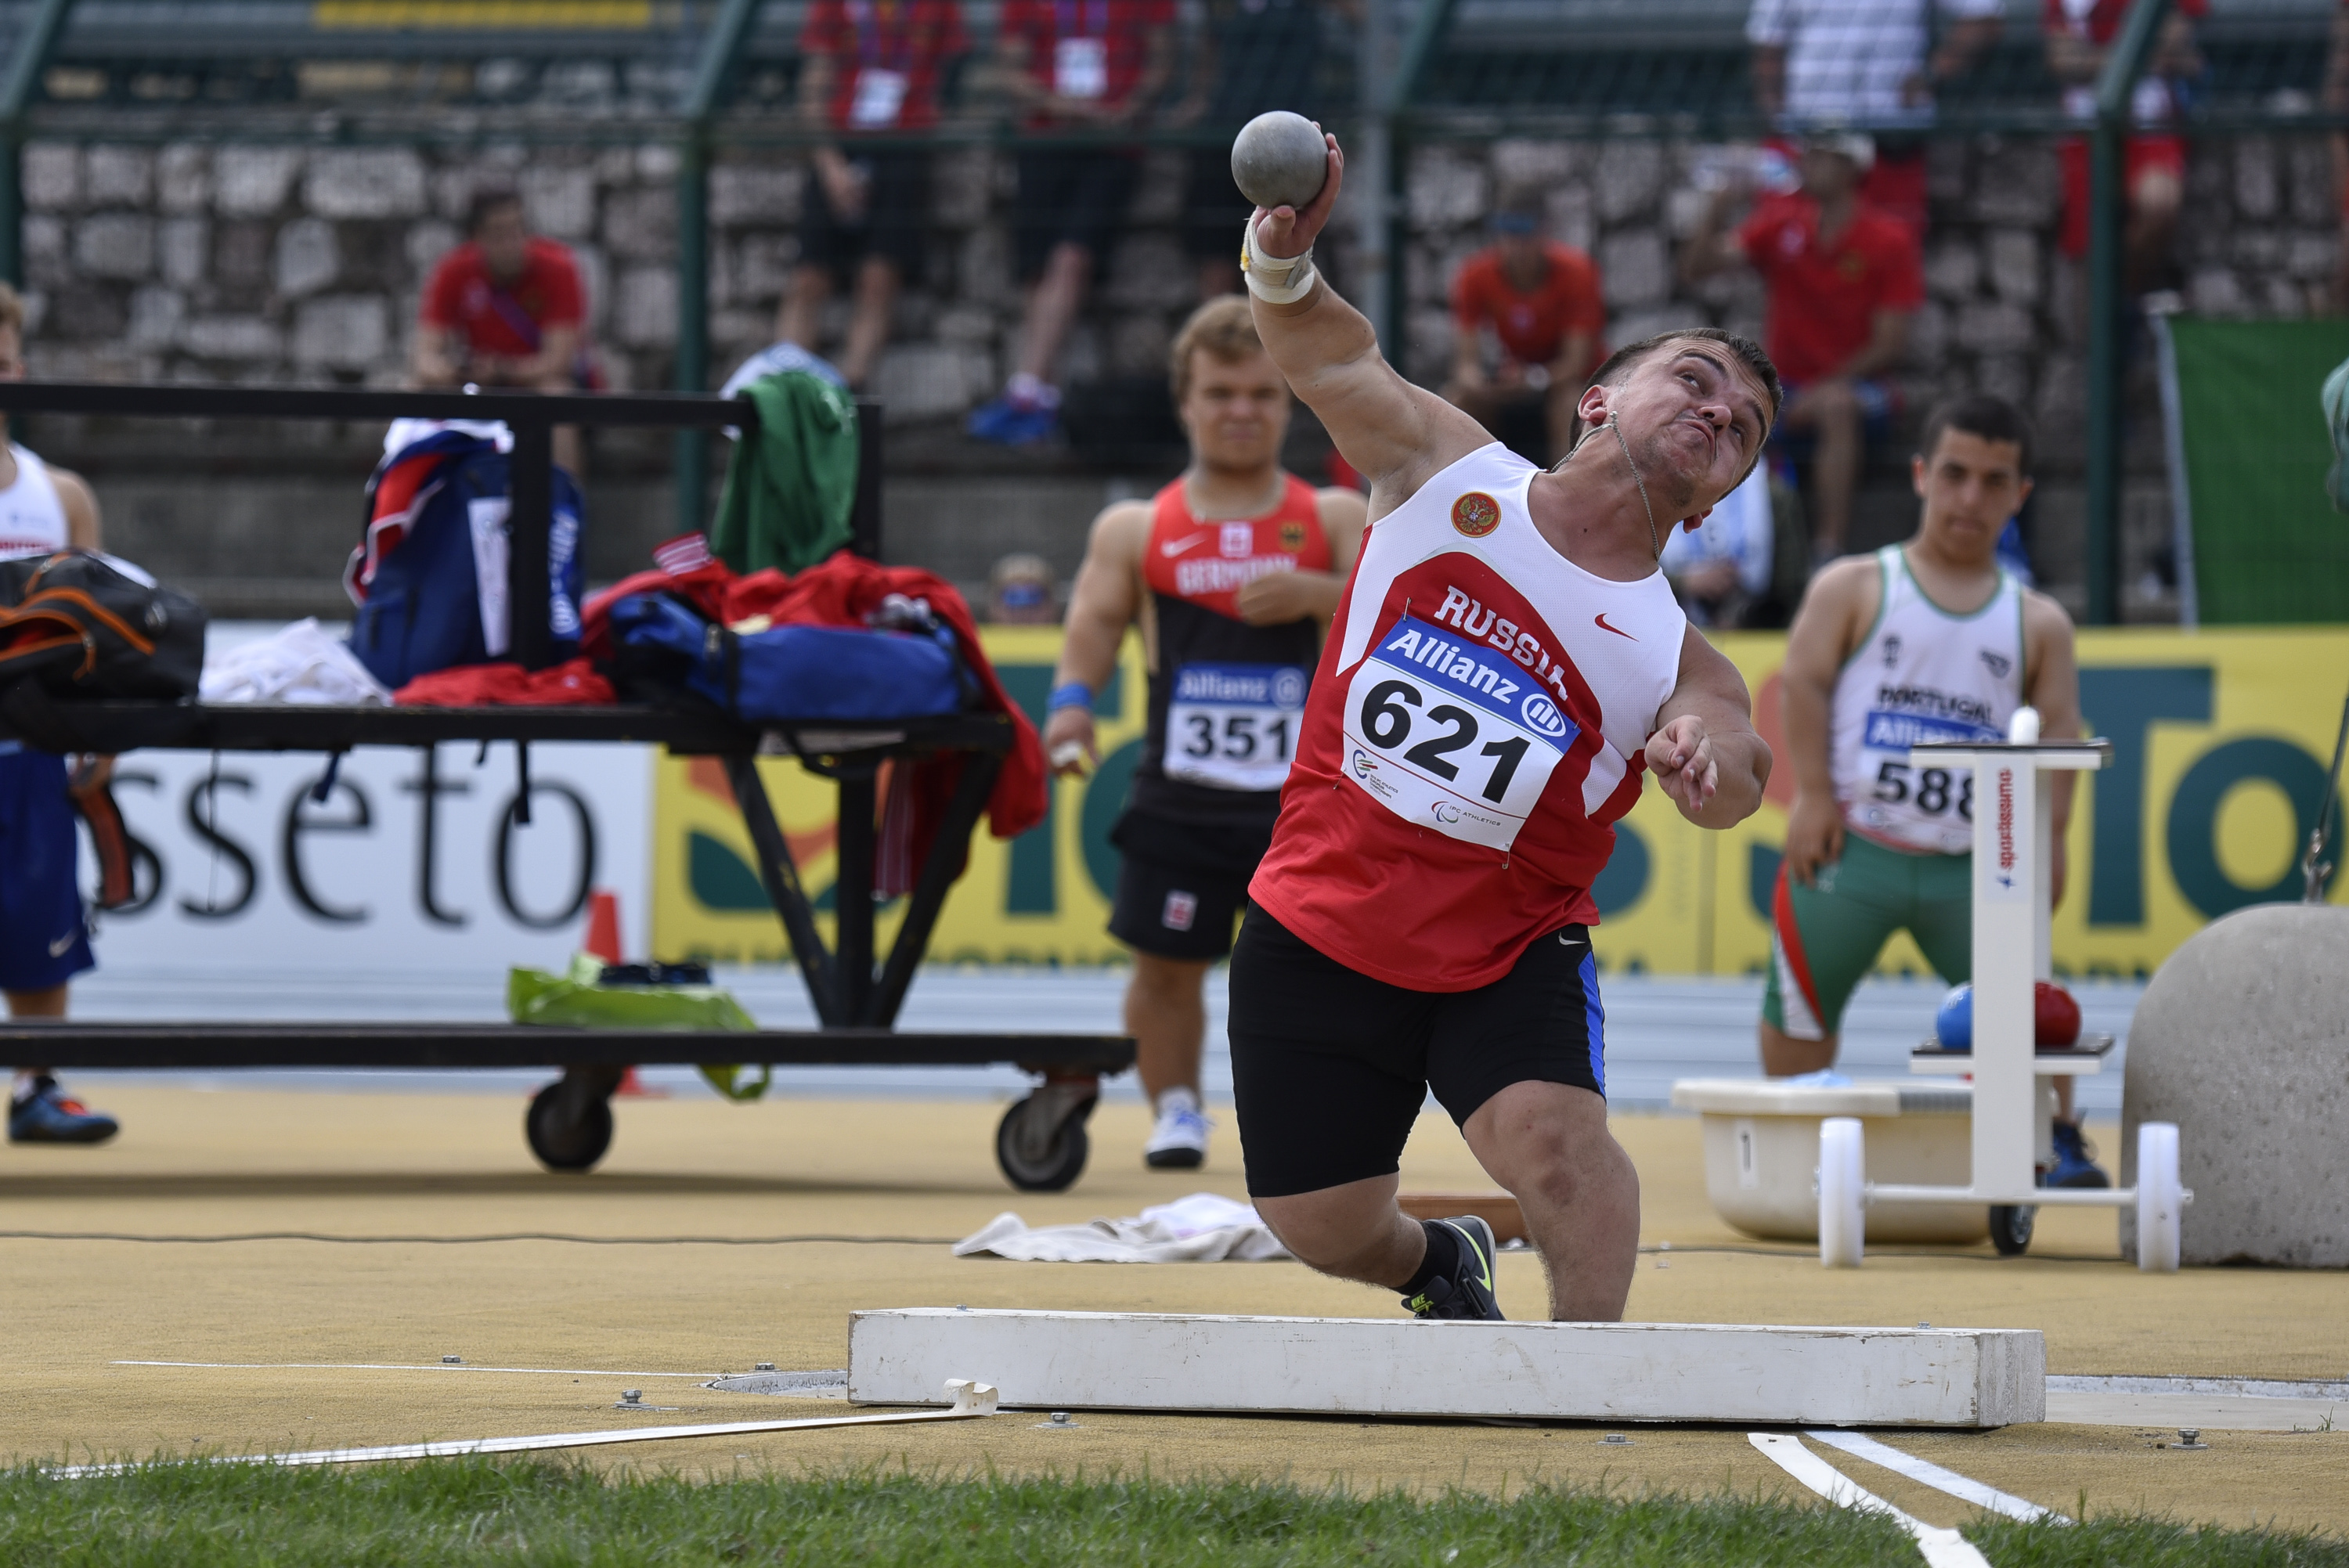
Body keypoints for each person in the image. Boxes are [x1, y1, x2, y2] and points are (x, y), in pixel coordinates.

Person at [1232, 132, 1777, 1322]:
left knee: (1560, 1150)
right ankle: (1440, 1262)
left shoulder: (1677, 651)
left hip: (1503, 945)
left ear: (1727, 489)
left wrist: (1704, 762)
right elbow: (1333, 357)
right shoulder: (1442, 469)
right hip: (1322, 910)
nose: (1719, 412)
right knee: (1317, 1220)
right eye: (1695, 380)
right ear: (1599, 397)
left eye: (1742, 425)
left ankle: (1583, 1407)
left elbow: (1739, 759)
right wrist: (1282, 260)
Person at [1045, 296, 1366, 1168]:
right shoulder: (1139, 527)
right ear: (1186, 402)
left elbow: (1405, 616)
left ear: (1286, 403)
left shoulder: (1333, 518)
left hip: (1300, 804)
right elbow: (1095, 623)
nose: (1240, 411)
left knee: (1314, 976)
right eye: (1221, 392)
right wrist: (1071, 703)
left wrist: (1314, 594)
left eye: (1262, 394)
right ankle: (1177, 1109)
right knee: (1165, 965)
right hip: (1180, 795)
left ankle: (1305, 1122)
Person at [1759, 393, 2106, 1187]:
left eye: (1994, 481)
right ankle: (1791, 1154)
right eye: (1954, 474)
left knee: (2026, 1019)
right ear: (1921, 476)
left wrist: (2049, 844)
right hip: (1856, 849)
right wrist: (1812, 793)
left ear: (2020, 495)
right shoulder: (1855, 585)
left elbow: (2056, 740)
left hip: (1974, 870)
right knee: (1799, 1015)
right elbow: (1803, 685)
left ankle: (2054, 1140)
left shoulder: (2039, 621)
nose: (1970, 497)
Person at [1682, 133, 1921, 564]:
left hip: (1858, 388)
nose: (1808, 163)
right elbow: (1699, 267)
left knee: (1836, 406)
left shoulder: (1888, 239)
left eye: (1823, 156)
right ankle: (1720, 553)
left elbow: (1890, 343)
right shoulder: (1781, 222)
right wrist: (1718, 203)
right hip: (1789, 386)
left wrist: (1824, 387)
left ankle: (1827, 552)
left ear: (1852, 169)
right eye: (1809, 153)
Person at [0, 282, 118, 1146]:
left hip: (29, 748)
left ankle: (37, 1086)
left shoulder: (59, 492)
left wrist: (101, 728)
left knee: (40, 916)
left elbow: (98, 629)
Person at [965, 0, 1175, 445]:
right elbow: (1011, 69)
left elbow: (1161, 58)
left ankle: (1026, 390)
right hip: (1046, 139)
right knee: (1036, 269)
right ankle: (1042, 391)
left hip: (1113, 143)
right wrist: (1066, 106)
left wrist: (1126, 108)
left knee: (1072, 258)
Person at [779, 0, 969, 389]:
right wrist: (831, 167)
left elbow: (955, 74)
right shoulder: (833, 7)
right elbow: (813, 89)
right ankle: (788, 392)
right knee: (809, 275)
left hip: (905, 146)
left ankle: (850, 391)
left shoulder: (937, 8)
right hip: (841, 143)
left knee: (880, 275)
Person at [1746, 0, 2004, 234]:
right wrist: (1777, 117)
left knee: (1890, 253)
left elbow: (1984, 18)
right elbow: (1768, 45)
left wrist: (1930, 75)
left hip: (1891, 134)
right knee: (1791, 253)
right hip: (1808, 135)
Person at [414, 184, 593, 471]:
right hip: (476, 384)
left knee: (557, 397)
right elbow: (426, 358)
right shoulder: (453, 270)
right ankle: (403, 502)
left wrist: (502, 370)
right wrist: (455, 371)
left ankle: (563, 506)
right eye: (499, 234)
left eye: (517, 230)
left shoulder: (559, 268)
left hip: (532, 384)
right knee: (409, 392)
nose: (511, 243)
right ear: (477, 238)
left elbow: (558, 362)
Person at [1171, 0, 1333, 301]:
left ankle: (1275, 343)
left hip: (1293, 146)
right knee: (1216, 258)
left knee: (1286, 262)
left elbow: (1362, 18)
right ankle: (1223, 340)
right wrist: (1197, 100)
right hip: (1224, 136)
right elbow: (1211, 44)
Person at [2046, 0, 2205, 295]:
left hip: (2152, 123)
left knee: (2159, 204)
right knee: (2089, 248)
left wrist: (2096, 60)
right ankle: (2104, 323)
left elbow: (2176, 41)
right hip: (2086, 126)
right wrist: (2142, 57)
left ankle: (2119, 299)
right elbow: (2062, 60)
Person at [1442, 195, 1607, 468]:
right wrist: (1479, 383)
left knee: (1570, 405)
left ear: (1544, 234)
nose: (1517, 248)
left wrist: (1533, 380)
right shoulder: (1475, 275)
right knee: (1457, 403)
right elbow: (1465, 364)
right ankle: (1462, 497)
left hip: (1563, 383)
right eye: (1508, 235)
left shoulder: (1578, 272)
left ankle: (1565, 494)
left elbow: (1576, 363)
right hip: (1514, 381)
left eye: (1526, 236)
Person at [987, 551, 1061, 624]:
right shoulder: (979, 635)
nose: (1023, 612)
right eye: (1013, 597)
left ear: (1051, 607)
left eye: (1033, 597)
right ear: (994, 607)